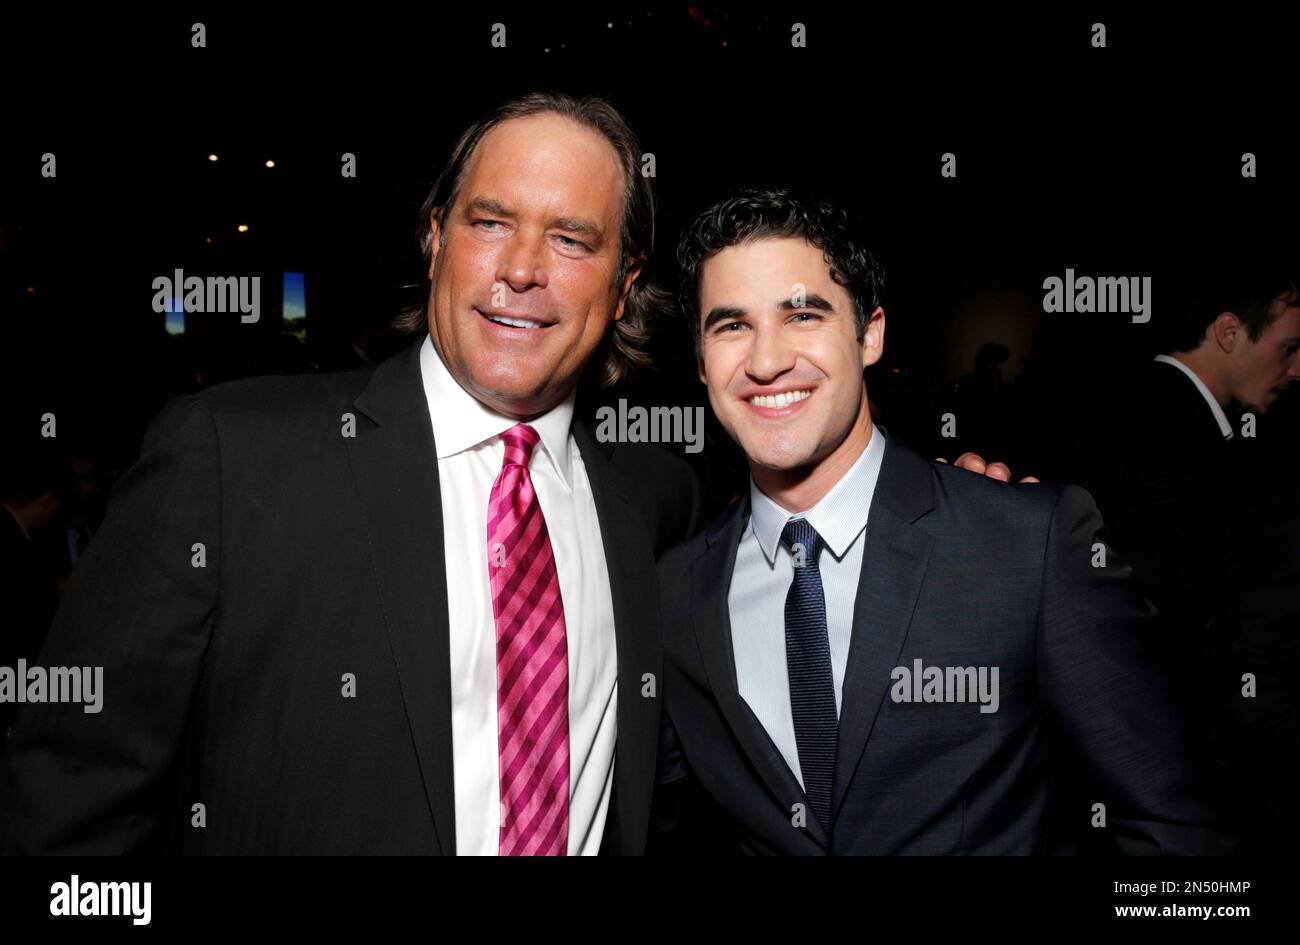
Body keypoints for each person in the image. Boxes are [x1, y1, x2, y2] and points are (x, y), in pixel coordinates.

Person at [0, 93, 1013, 856]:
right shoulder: (231, 457)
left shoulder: (658, 504)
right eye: (491, 221)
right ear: (436, 236)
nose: (522, 268)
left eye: (571, 239)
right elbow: (67, 806)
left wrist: (951, 516)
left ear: (623, 285)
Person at [654, 188, 1233, 854]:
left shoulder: (1027, 545)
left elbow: (1178, 832)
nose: (766, 361)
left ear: (870, 334)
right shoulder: (675, 594)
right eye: (731, 326)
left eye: (803, 315)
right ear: (701, 363)